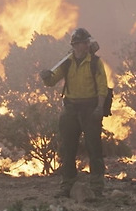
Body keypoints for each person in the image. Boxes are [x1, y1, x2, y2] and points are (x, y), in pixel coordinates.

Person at [39, 28, 109, 199]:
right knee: (67, 148)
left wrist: (100, 107)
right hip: (71, 108)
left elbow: (102, 87)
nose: (84, 46)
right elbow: (52, 81)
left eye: (86, 43)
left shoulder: (95, 62)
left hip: (90, 108)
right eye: (80, 43)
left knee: (94, 148)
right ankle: (67, 185)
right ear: (75, 45)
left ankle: (97, 187)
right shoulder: (67, 63)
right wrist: (46, 76)